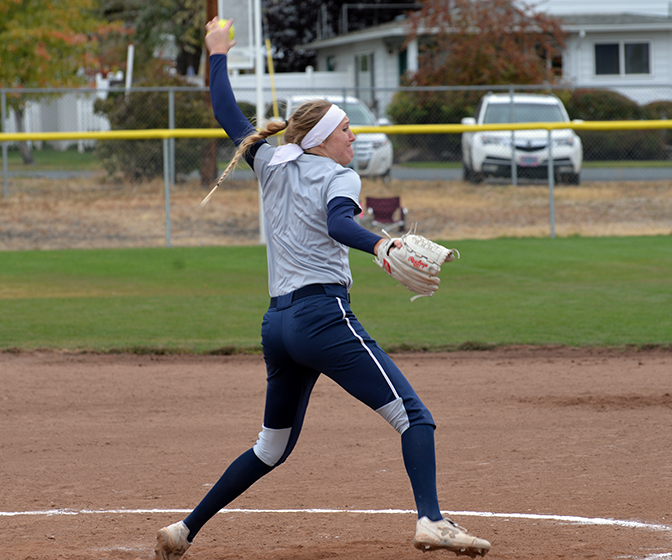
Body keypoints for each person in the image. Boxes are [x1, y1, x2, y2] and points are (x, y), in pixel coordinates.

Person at [154, 18, 491, 559]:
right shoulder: (339, 176)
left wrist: (217, 52)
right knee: (414, 417)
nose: (352, 135)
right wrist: (380, 245)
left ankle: (184, 530)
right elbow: (338, 223)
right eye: (344, 130)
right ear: (320, 140)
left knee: (271, 446)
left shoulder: (270, 161)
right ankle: (431, 520)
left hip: (278, 324)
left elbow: (226, 113)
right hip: (322, 318)